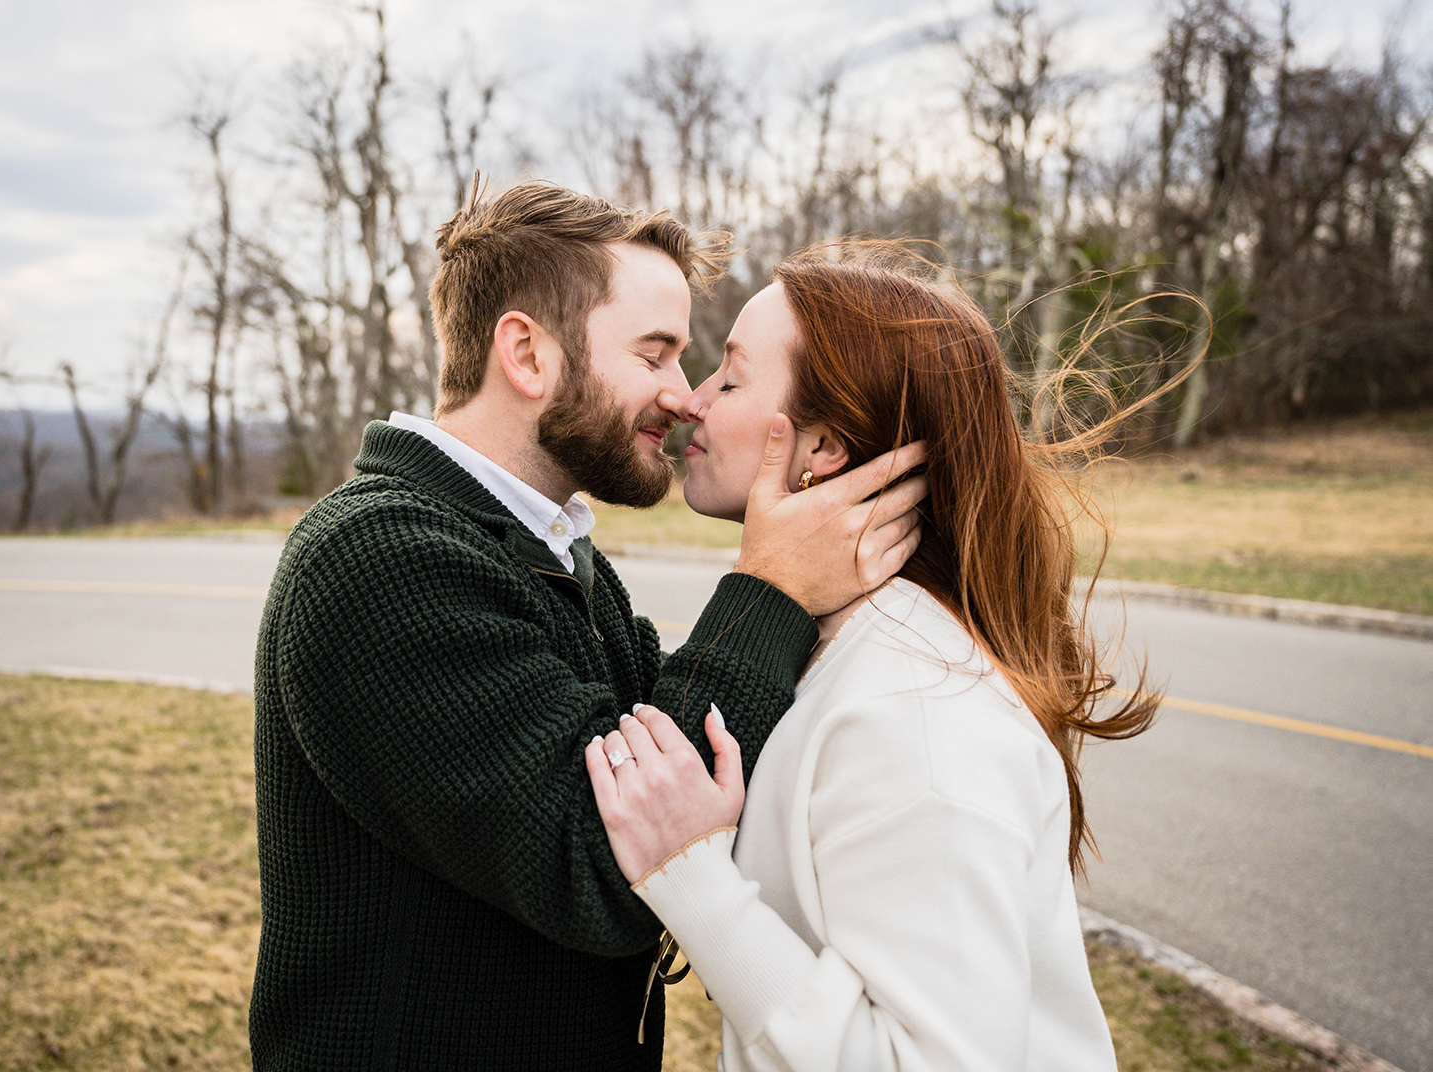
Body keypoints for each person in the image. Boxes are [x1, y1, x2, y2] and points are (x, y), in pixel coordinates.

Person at [249, 183, 929, 1071]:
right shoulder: (379, 557)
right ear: (528, 353)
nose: (684, 398)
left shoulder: (551, 550)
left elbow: (671, 746)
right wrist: (769, 588)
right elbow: (609, 866)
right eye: (656, 355)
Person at [587, 250, 1160, 1071]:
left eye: (733, 378)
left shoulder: (915, 714)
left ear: (822, 445)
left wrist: (696, 883)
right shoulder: (839, 657)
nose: (691, 399)